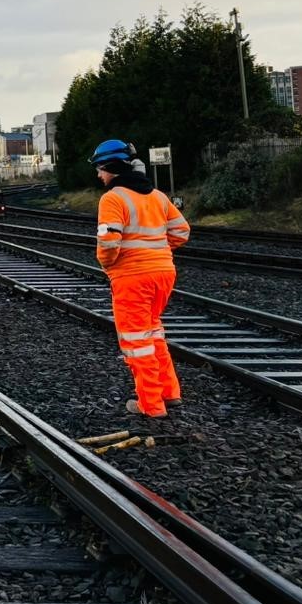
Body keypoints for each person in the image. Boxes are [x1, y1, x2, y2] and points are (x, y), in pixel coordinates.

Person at [91, 139, 191, 417]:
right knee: (153, 332)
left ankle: (150, 405)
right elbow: (181, 231)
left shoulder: (113, 198)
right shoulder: (157, 196)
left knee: (136, 342)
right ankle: (170, 393)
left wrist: (110, 266)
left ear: (112, 167)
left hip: (132, 277)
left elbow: (109, 243)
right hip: (163, 274)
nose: (99, 175)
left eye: (100, 169)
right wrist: (156, 251)